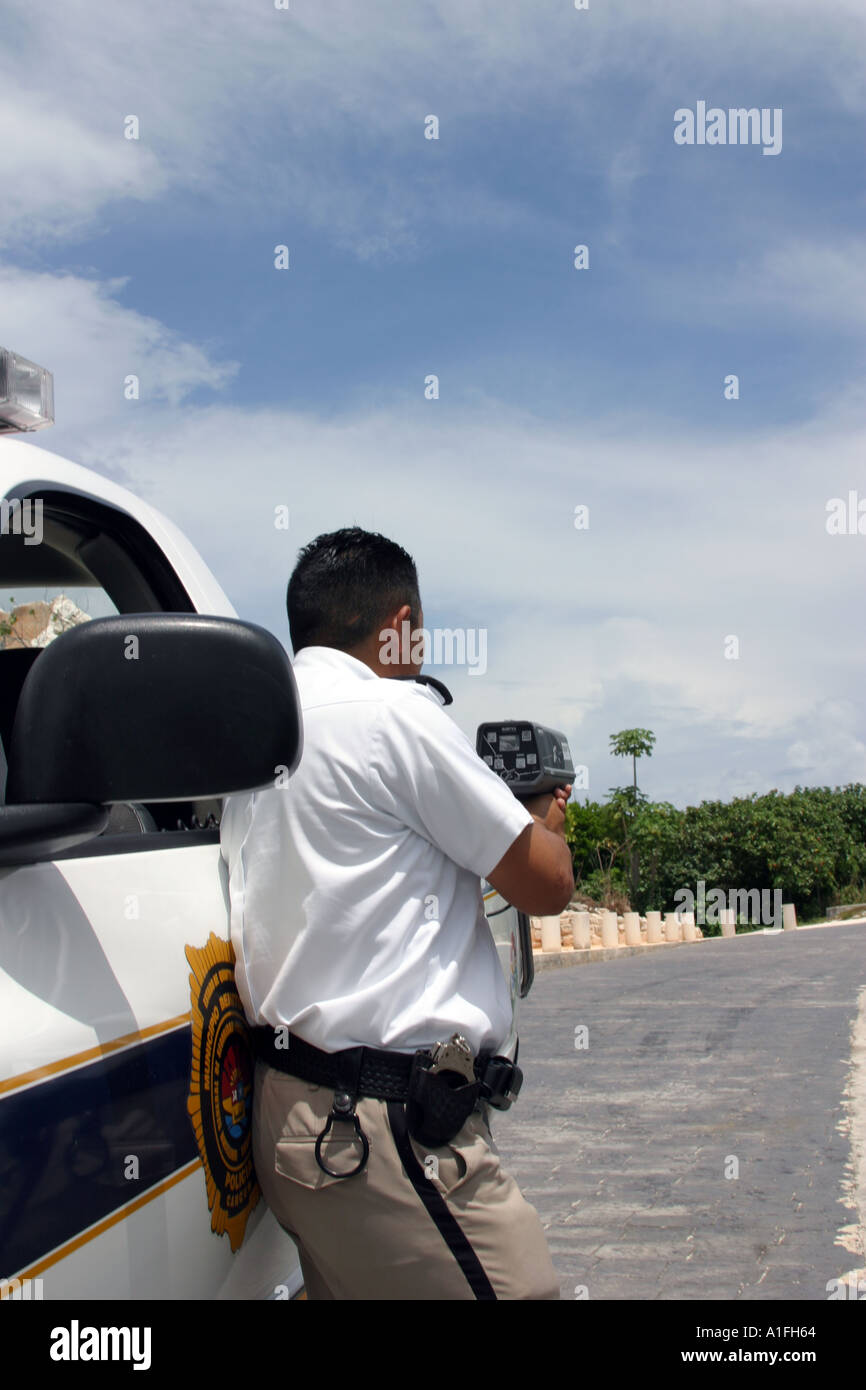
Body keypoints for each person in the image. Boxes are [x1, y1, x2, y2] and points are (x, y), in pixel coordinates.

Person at [220, 527, 574, 1300]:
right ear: (401, 624)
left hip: (297, 1113)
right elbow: (545, 884)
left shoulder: (259, 732)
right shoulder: (392, 715)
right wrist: (546, 814)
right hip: (381, 1128)